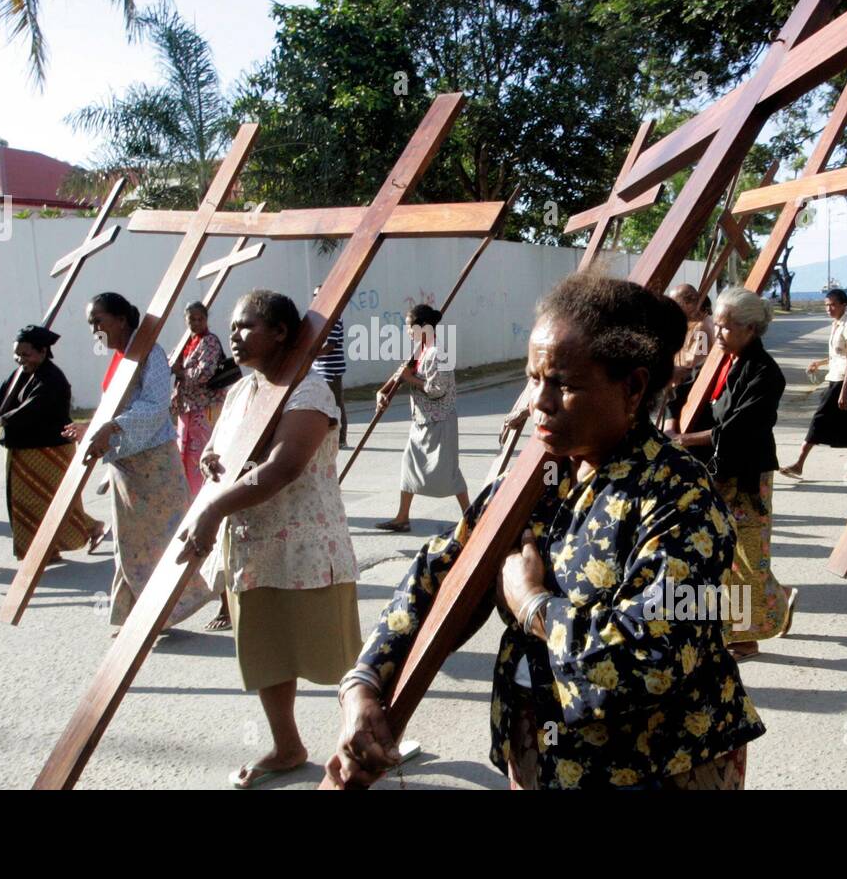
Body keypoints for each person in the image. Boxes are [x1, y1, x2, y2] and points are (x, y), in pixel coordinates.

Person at [327, 275, 765, 790]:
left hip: (657, 765)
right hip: (542, 753)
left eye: (564, 384)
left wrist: (533, 604)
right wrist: (362, 684)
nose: (540, 401)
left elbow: (650, 657)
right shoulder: (537, 478)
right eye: (533, 379)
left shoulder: (678, 494)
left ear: (633, 388)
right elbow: (440, 574)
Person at [178, 290, 360, 788]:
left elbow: (282, 468)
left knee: (337, 654)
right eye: (233, 327)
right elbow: (219, 450)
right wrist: (212, 463)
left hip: (306, 549)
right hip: (254, 551)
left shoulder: (309, 391)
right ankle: (287, 746)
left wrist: (215, 506)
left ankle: (359, 744)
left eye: (245, 326)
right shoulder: (242, 390)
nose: (234, 336)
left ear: (280, 332)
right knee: (268, 653)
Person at [64, 292, 213, 633]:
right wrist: (92, 428)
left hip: (154, 467)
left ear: (121, 319)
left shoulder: (150, 354)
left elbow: (154, 406)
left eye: (98, 320)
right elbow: (113, 406)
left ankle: (165, 613)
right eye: (90, 323)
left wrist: (111, 428)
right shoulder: (120, 357)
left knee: (163, 543)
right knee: (129, 546)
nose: (94, 329)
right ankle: (138, 616)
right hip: (125, 468)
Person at [673, 287, 796, 660]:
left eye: (726, 328)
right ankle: (777, 600)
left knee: (744, 557)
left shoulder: (766, 374)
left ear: (750, 329)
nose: (719, 333)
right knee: (725, 554)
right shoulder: (727, 361)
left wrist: (685, 441)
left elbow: (737, 429)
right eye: (719, 326)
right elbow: (703, 403)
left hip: (746, 476)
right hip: (719, 471)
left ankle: (745, 638)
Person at [0, 325, 104, 563]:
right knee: (25, 503)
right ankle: (46, 550)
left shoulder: (53, 379)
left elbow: (31, 409)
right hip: (23, 450)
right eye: (17, 354)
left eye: (26, 354)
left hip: (51, 449)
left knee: (52, 500)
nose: (21, 359)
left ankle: (89, 529)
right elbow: (0, 400)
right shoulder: (18, 375)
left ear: (43, 352)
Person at [375, 304, 470, 532]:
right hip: (421, 420)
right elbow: (401, 372)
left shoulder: (440, 352)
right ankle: (402, 517)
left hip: (440, 420)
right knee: (409, 464)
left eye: (409, 327)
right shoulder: (419, 350)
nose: (407, 331)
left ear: (424, 327)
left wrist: (411, 380)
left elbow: (438, 389)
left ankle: (471, 516)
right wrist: (382, 391)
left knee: (449, 471)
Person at [780, 288, 847, 480]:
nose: (829, 308)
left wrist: (844, 391)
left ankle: (799, 464)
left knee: (819, 419)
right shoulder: (837, 324)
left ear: (843, 305)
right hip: (835, 378)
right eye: (826, 305)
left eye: (833, 304)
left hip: (843, 382)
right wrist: (819, 363)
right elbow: (837, 356)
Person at [170, 301, 228, 496]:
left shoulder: (209, 341)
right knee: (184, 454)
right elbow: (171, 361)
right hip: (188, 408)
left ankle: (205, 494)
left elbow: (205, 372)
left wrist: (181, 372)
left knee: (202, 454)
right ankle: (190, 495)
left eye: (200, 319)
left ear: (206, 319)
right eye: (191, 319)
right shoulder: (187, 342)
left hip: (205, 407)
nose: (196, 322)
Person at [663, 283, 715, 433]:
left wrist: (667, 372)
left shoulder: (701, 328)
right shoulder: (690, 324)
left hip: (689, 393)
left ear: (688, 303)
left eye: (676, 304)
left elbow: (692, 368)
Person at [310, 285, 349, 448]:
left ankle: (341, 438)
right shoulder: (320, 319)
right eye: (314, 295)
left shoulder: (333, 318)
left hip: (331, 369)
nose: (316, 298)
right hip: (318, 368)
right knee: (320, 403)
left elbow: (329, 345)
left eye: (320, 295)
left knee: (335, 404)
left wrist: (310, 354)